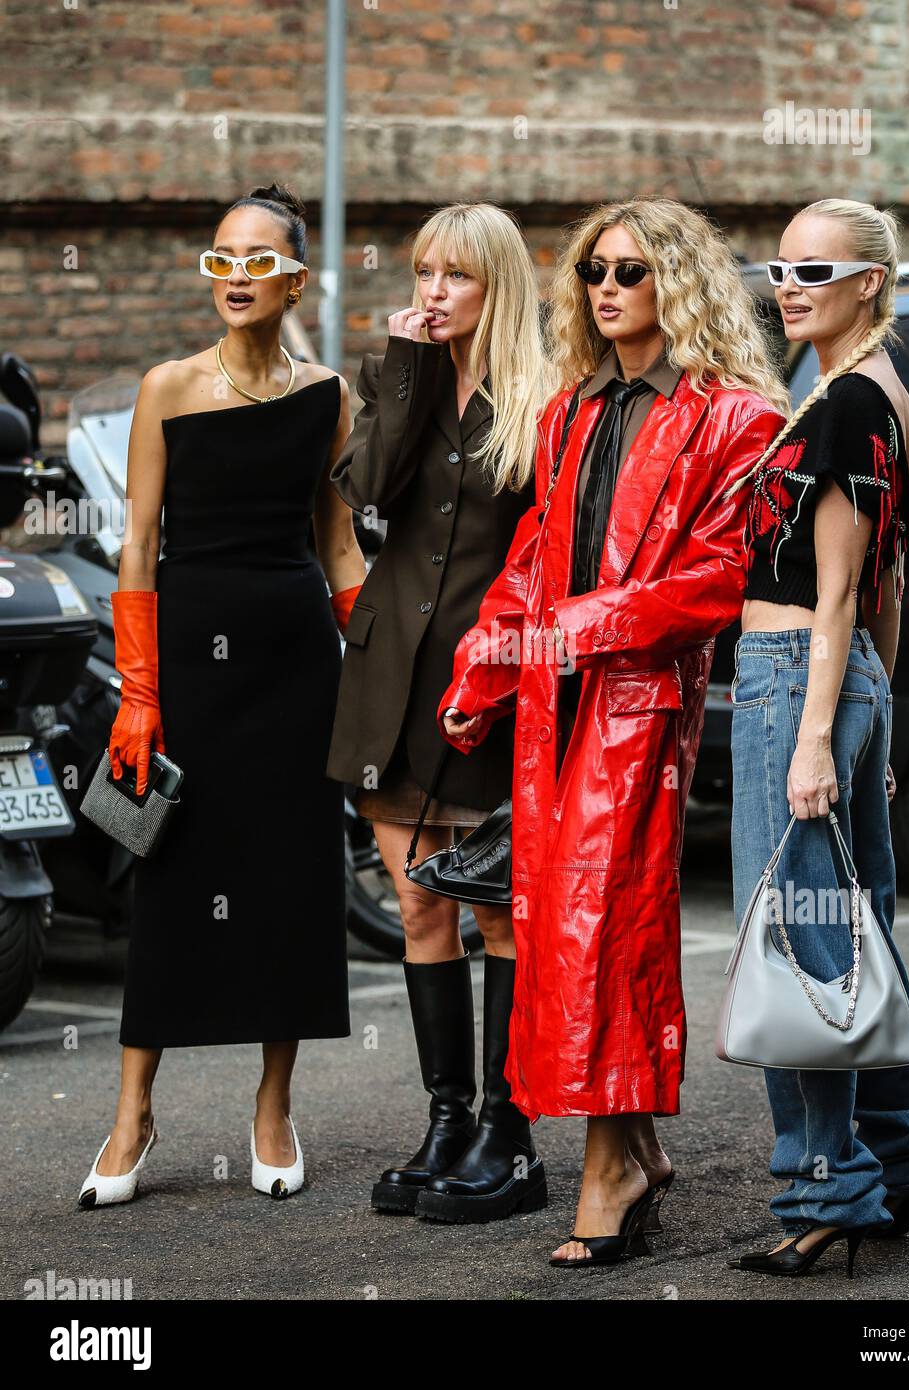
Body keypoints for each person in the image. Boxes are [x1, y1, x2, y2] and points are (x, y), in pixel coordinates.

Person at [439, 197, 788, 1265]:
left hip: (640, 702)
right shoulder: (570, 413)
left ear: (674, 283)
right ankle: (629, 1142)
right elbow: (535, 556)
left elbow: (716, 579)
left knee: (608, 927)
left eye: (629, 272)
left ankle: (609, 1168)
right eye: (593, 269)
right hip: (552, 701)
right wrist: (482, 666)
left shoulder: (736, 419)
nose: (605, 288)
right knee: (563, 930)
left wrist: (581, 629)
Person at [78, 183, 363, 1209]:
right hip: (191, 659)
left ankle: (273, 1105)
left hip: (294, 660)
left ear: (295, 277)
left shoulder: (331, 394)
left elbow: (336, 539)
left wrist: (370, 658)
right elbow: (139, 539)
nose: (236, 277)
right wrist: (140, 688)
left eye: (257, 260)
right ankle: (132, 1113)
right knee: (168, 871)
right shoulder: (167, 386)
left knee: (289, 880)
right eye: (220, 259)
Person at [726, 198, 909, 1279]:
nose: (787, 285)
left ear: (870, 281)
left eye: (814, 269)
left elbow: (833, 597)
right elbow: (886, 590)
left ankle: (828, 1187)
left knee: (799, 939)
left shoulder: (845, 401)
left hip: (792, 681)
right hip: (844, 682)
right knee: (853, 923)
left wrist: (817, 737)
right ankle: (907, 1155)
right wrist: (876, 708)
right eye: (778, 267)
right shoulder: (883, 398)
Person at [327, 203, 550, 1222]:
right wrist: (409, 374)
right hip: (391, 681)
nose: (430, 292)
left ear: (494, 285)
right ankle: (446, 1118)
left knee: (499, 908)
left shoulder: (547, 397)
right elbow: (365, 492)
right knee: (420, 905)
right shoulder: (390, 379)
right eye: (422, 272)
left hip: (492, 685)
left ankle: (509, 1128)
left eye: (454, 276)